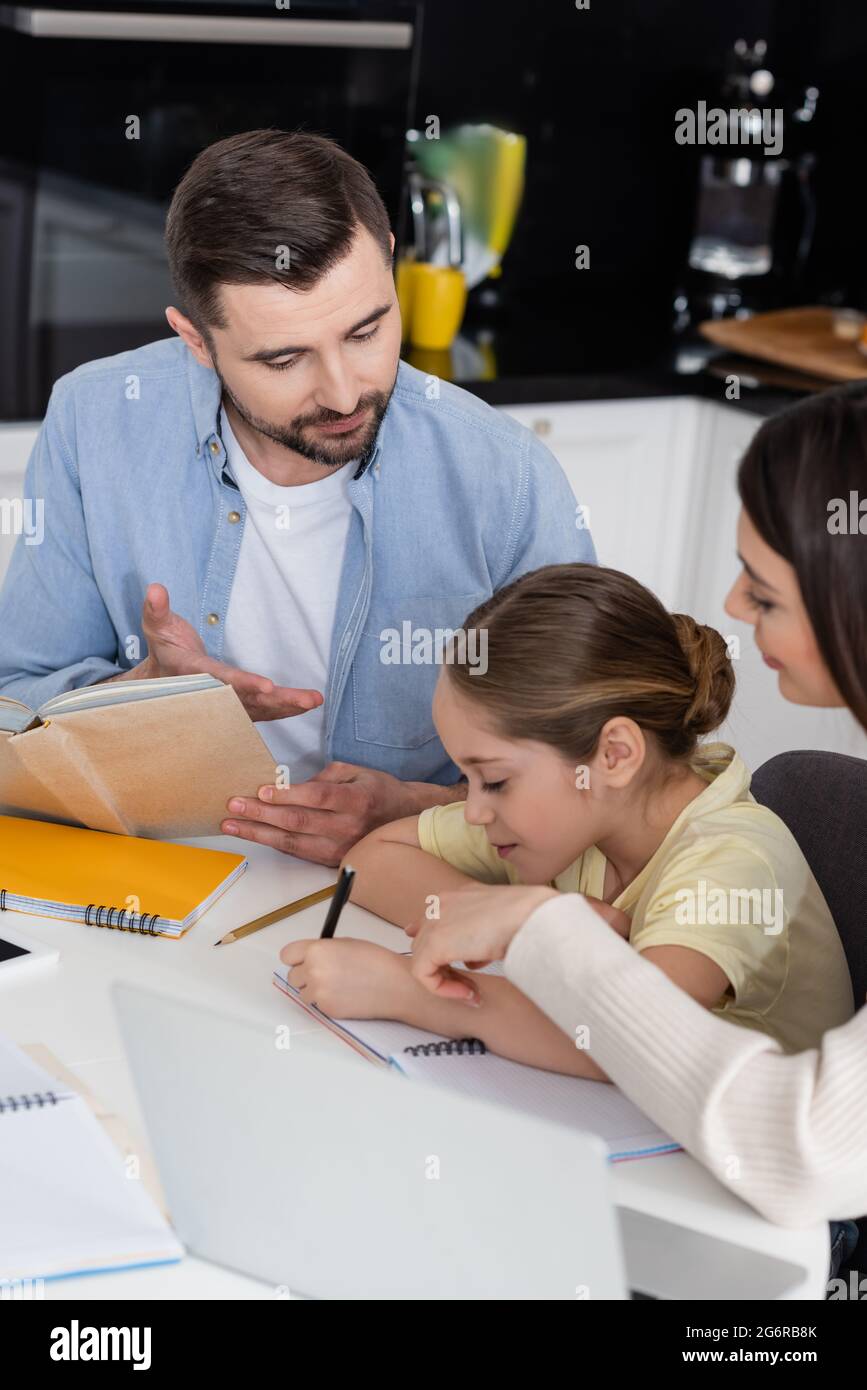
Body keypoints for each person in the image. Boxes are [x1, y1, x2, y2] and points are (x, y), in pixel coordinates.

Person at [0, 129, 593, 865]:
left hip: (406, 883)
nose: (345, 391)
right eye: (283, 359)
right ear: (195, 340)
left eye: (367, 330)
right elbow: (14, 701)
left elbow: (594, 773)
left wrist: (411, 813)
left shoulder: (503, 477)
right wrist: (140, 696)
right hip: (158, 863)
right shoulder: (97, 418)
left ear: (390, 256)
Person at [404, 382, 867, 1261]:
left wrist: (538, 927)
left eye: (763, 590)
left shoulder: (728, 854)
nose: (729, 606)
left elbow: (799, 1154)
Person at [279, 563, 853, 1077]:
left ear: (614, 756)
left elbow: (632, 1041)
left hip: (723, 1184)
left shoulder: (732, 864)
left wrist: (409, 992)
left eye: (496, 780)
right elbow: (372, 860)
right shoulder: (589, 819)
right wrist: (509, 917)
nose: (474, 809)